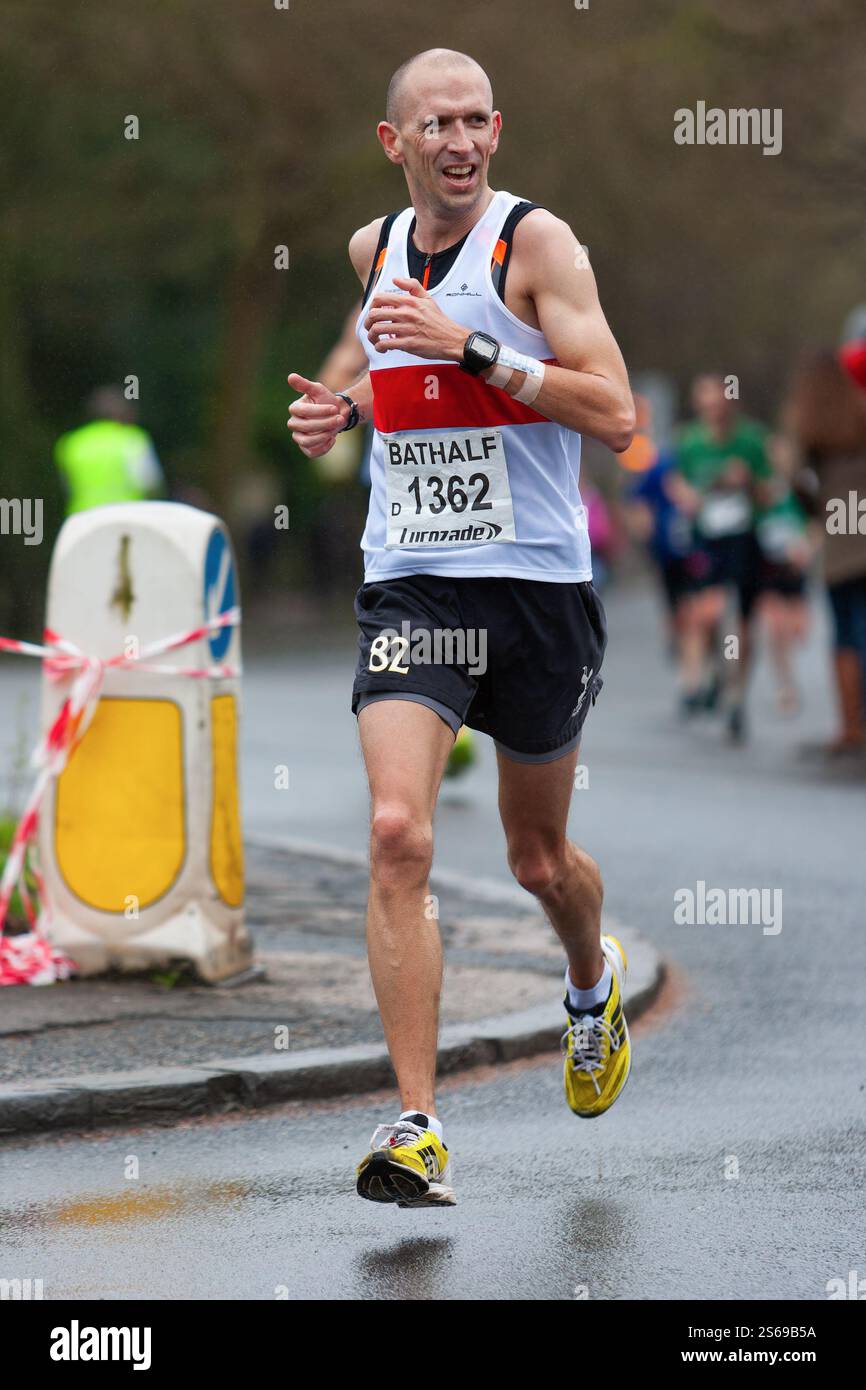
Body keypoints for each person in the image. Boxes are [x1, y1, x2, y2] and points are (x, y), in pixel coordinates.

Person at [288, 48, 635, 1207]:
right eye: (433, 123)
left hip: (536, 588)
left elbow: (619, 415)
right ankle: (416, 1123)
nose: (458, 140)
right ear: (394, 144)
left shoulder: (536, 246)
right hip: (417, 584)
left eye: (475, 120)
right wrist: (336, 408)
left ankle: (588, 985)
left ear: (497, 129)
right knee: (398, 832)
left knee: (536, 857)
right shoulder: (372, 249)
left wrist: (476, 349)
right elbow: (373, 355)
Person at [669, 374, 772, 740]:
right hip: (707, 538)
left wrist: (745, 481)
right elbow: (676, 481)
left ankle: (736, 696)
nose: (712, 409)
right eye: (705, 402)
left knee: (744, 623)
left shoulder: (750, 439)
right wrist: (688, 496)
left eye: (718, 401)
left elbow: (770, 492)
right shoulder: (691, 441)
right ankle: (707, 677)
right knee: (706, 612)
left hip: (744, 538)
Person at [786, 350, 866, 753]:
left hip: (839, 541)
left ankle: (852, 726)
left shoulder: (814, 427)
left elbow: (798, 482)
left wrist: (815, 512)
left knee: (845, 635)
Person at [54, 386, 164, 515]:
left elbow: (67, 488)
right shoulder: (132, 438)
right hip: (128, 517)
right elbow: (149, 483)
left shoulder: (71, 443)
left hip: (83, 517)